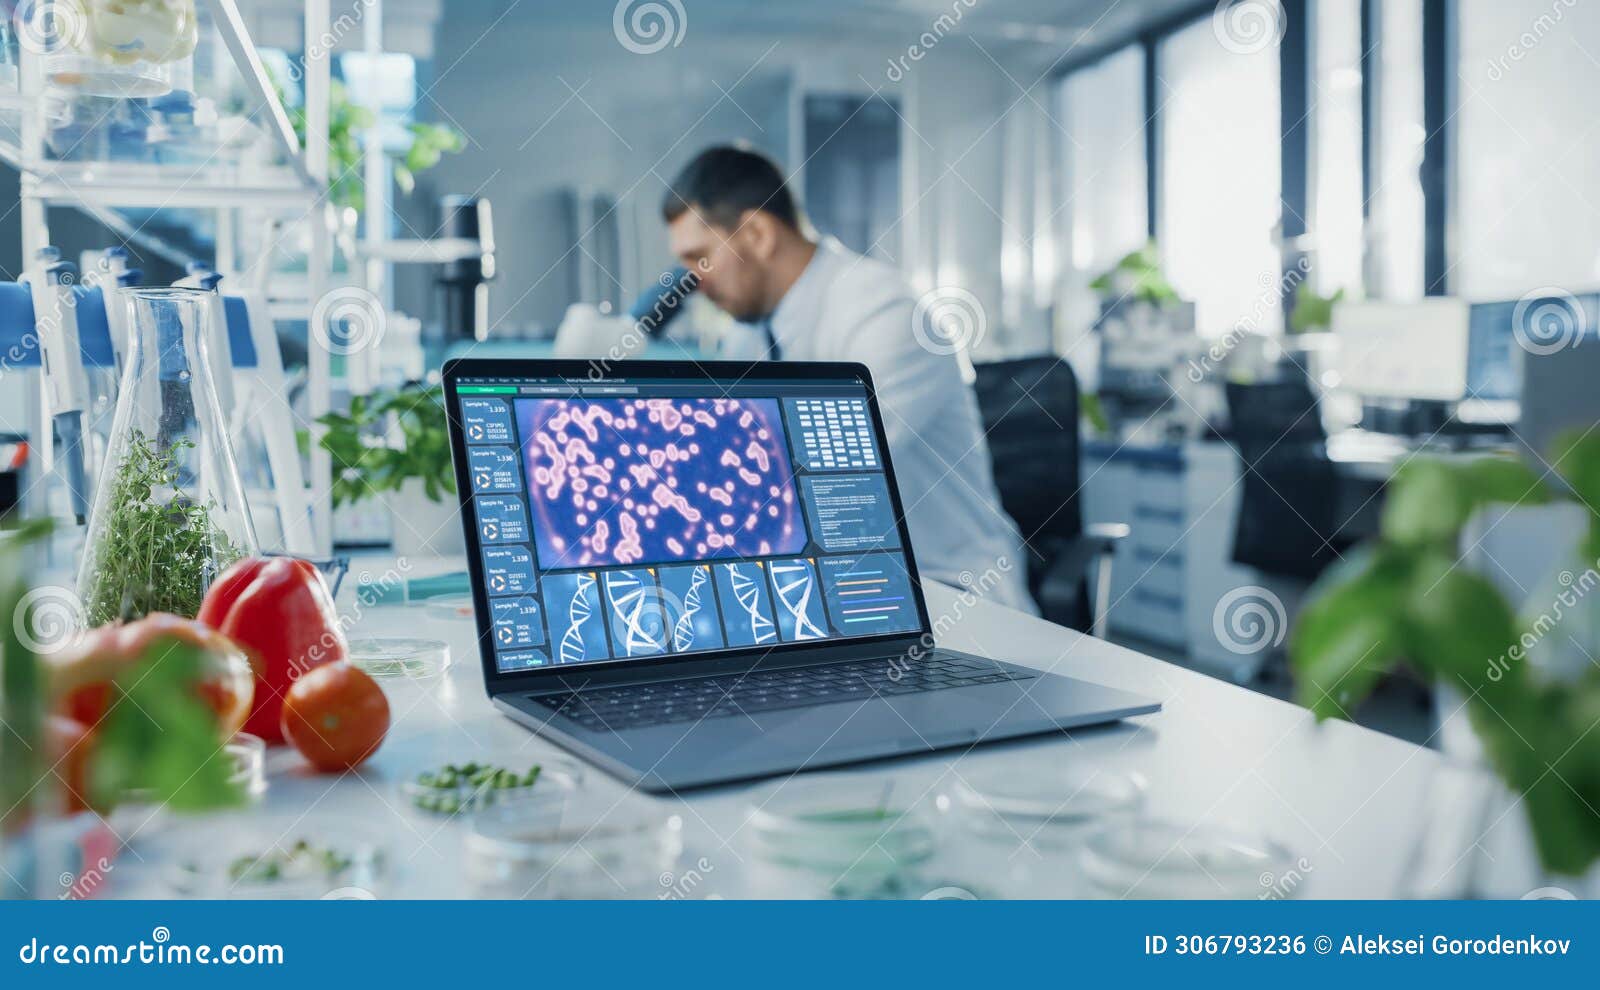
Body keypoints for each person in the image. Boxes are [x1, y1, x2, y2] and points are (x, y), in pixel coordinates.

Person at [661, 144, 1036, 615]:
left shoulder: (886, 313)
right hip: (837, 593)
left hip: (950, 594)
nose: (693, 282)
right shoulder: (749, 336)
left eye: (700, 258)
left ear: (755, 233)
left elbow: (821, 478)